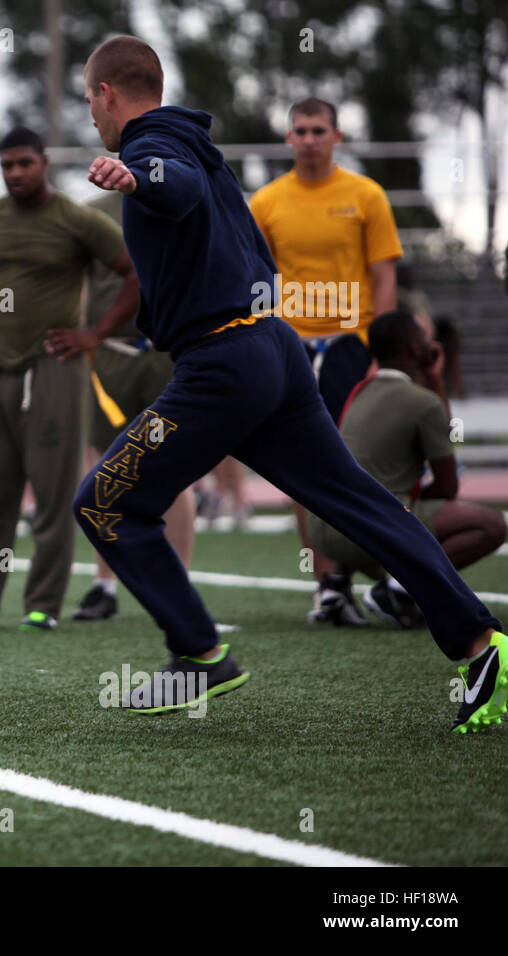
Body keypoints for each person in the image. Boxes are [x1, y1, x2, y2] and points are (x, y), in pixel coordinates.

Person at [75, 35, 504, 733]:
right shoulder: (201, 148)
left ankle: (199, 658)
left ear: (105, 95)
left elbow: (168, 183)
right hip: (272, 349)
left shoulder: (151, 146)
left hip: (223, 366)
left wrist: (137, 178)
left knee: (104, 502)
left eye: (90, 101)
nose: (93, 116)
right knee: (361, 502)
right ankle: (482, 646)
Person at [0, 126, 139, 632]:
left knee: (53, 490)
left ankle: (42, 606)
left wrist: (94, 333)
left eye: (24, 163)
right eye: (7, 166)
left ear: (44, 163)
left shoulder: (75, 219)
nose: (15, 174)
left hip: (56, 368)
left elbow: (133, 271)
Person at [249, 98, 403, 627]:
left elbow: (384, 275)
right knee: (300, 467)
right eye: (300, 131)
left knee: (362, 462)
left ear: (337, 136)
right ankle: (328, 586)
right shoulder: (266, 201)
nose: (309, 139)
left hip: (350, 345)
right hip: (289, 348)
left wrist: (381, 350)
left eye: (319, 130)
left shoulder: (366, 195)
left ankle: (385, 575)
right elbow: (255, 278)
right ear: (288, 139)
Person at [307, 310, 506, 626]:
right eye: (425, 336)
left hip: (324, 527)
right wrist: (437, 380)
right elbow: (448, 486)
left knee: (371, 484)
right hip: (367, 533)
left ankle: (335, 588)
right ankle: (398, 590)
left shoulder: (359, 392)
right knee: (491, 525)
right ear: (416, 348)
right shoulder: (423, 401)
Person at [71, 191, 192, 621]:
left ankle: (181, 586)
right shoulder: (91, 213)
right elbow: (79, 282)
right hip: (112, 352)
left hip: (167, 348)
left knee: (176, 466)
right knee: (104, 466)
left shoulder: (177, 199)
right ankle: (105, 584)